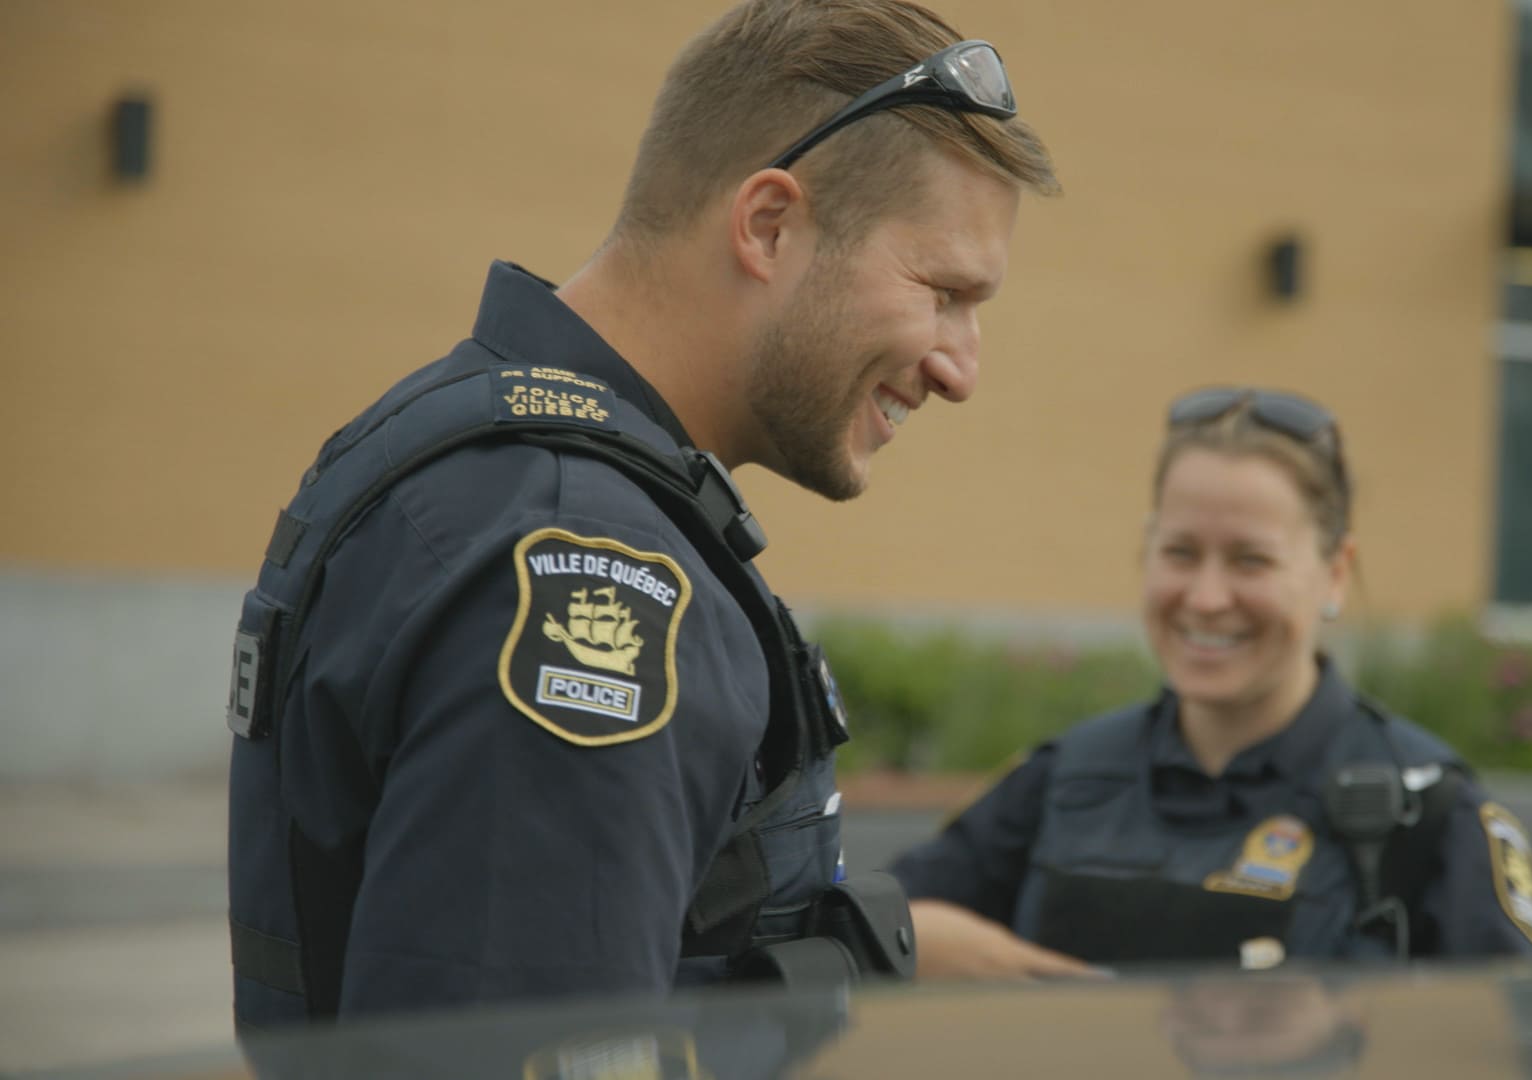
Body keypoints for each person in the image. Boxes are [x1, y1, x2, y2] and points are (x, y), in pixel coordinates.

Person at [224, 0, 1057, 1028]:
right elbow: (526, 1050)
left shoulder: (482, 458)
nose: (961, 368)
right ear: (770, 225)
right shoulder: (580, 554)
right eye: (943, 290)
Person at [890, 388, 1532, 978]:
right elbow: (864, 930)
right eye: (1181, 552)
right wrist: (933, 948)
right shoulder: (1062, 782)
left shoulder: (1429, 816)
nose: (1207, 598)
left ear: (1335, 571)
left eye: (1251, 560)